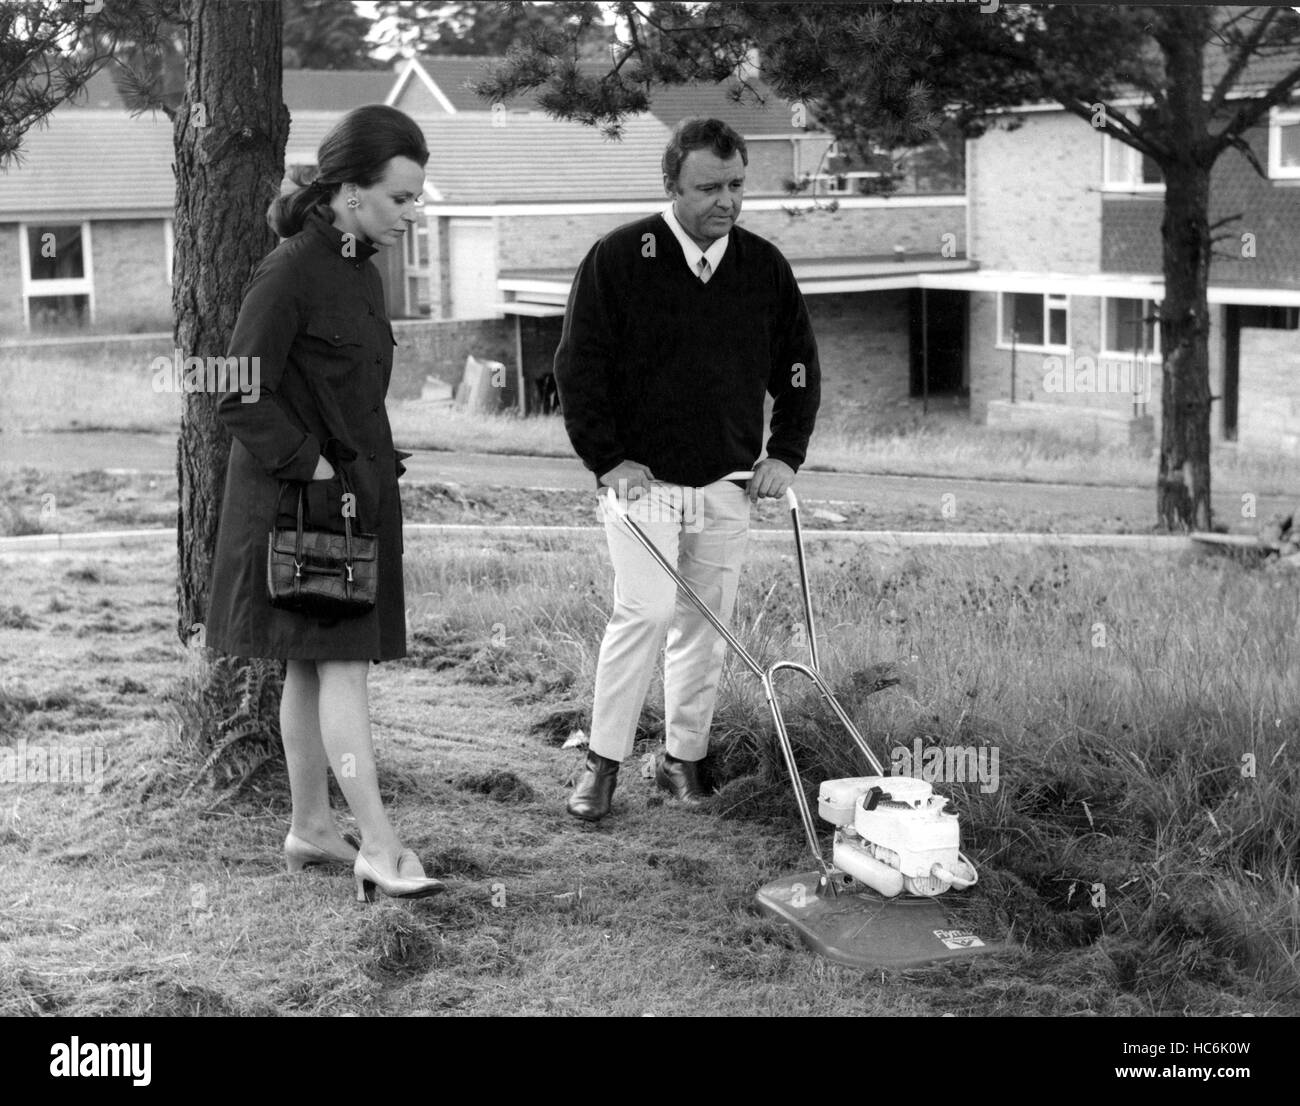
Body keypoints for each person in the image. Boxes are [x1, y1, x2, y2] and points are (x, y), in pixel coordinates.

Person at [205, 105, 443, 903]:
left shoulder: (358, 266)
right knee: (342, 663)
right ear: (348, 194)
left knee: (313, 666)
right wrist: (309, 465)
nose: (415, 213)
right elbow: (233, 390)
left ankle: (311, 825)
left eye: (418, 197)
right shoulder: (291, 270)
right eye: (401, 198)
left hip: (351, 502)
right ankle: (378, 842)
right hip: (297, 506)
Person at [553, 116, 821, 822]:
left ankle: (684, 762)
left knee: (707, 624)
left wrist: (785, 454)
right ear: (672, 184)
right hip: (642, 485)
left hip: (726, 484)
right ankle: (601, 766)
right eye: (708, 187)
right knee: (644, 611)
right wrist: (608, 460)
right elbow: (577, 369)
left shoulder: (764, 267)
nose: (725, 201)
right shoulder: (618, 258)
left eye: (736, 186)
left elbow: (798, 368)